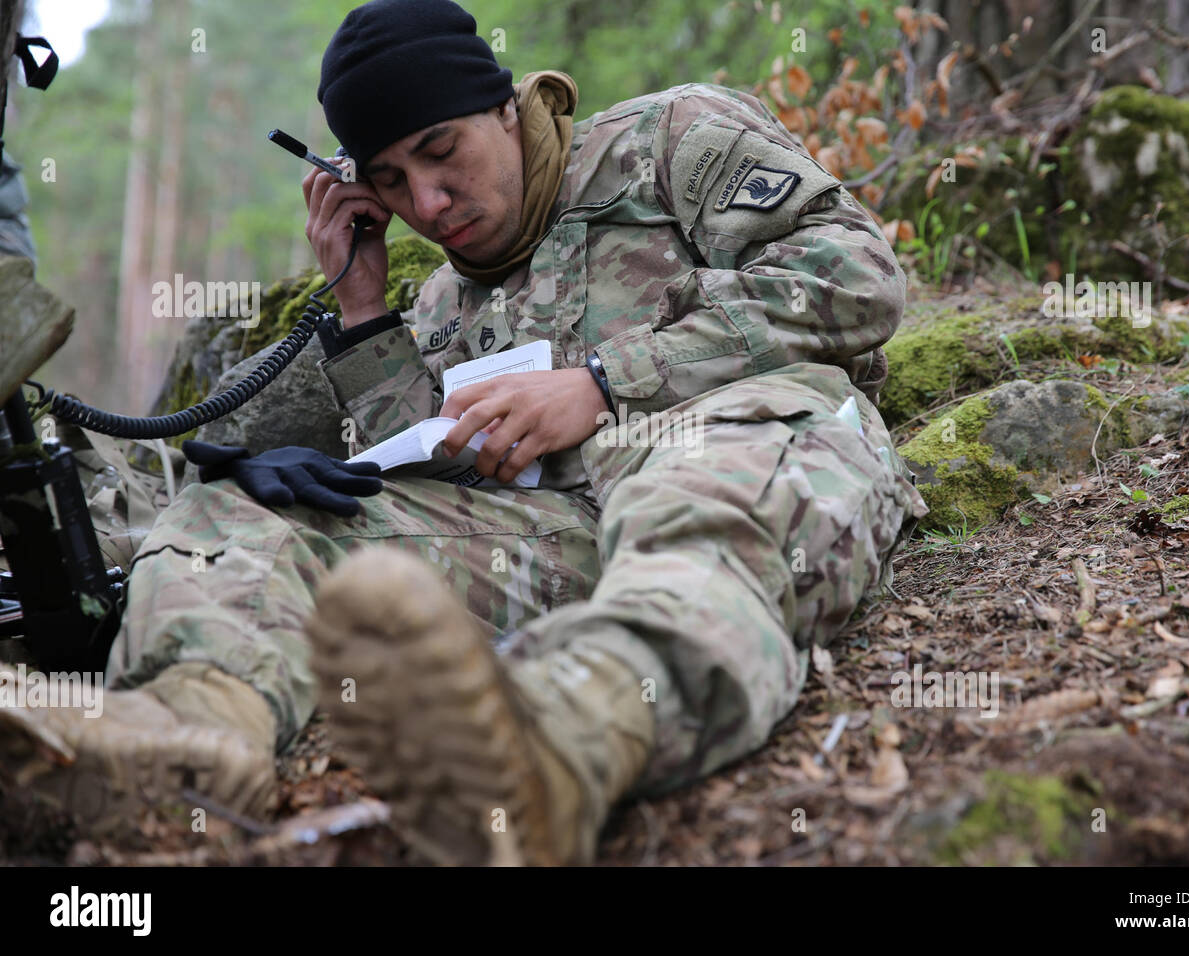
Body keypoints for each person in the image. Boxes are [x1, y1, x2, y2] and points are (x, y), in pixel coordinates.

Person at [0, 0, 924, 865]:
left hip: (742, 451)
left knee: (708, 492)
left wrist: (603, 383)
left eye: (442, 152)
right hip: (556, 531)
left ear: (502, 107)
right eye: (392, 181)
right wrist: (363, 314)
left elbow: (855, 275)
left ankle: (570, 747)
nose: (430, 205)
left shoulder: (667, 139)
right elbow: (441, 470)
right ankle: (189, 732)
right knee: (235, 514)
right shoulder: (440, 297)